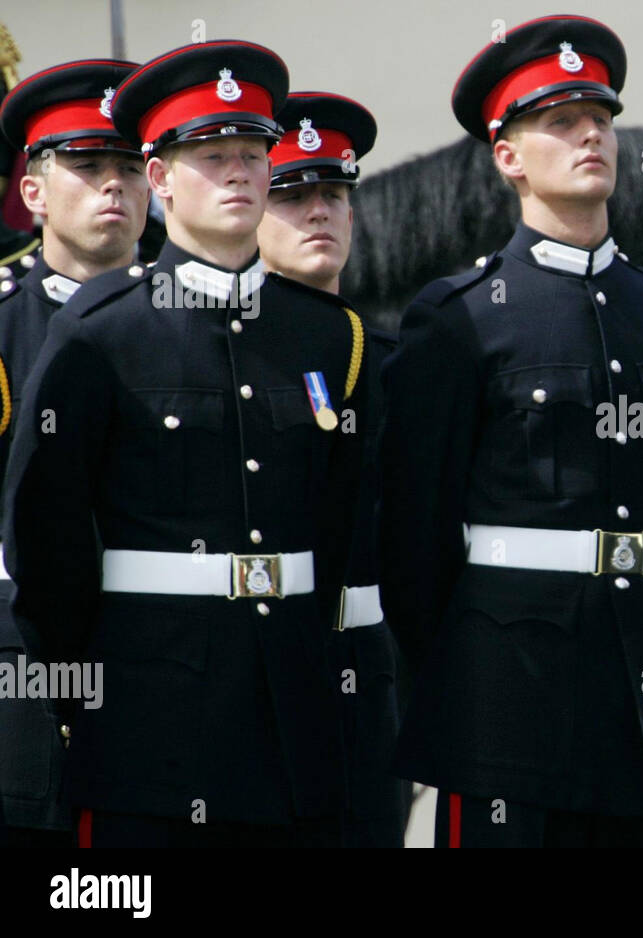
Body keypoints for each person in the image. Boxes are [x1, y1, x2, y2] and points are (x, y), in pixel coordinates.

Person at [2, 40, 368, 847]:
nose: (238, 171)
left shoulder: (327, 335)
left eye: (251, 152)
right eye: (209, 155)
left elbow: (346, 531)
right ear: (160, 179)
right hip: (148, 723)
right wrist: (85, 698)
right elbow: (49, 544)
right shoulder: (100, 334)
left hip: (292, 719)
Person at [378, 14, 643, 847]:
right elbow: (415, 535)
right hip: (508, 701)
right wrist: (465, 676)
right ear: (509, 157)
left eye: (600, 117)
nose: (591, 133)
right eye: (561, 121)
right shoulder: (458, 319)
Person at [0, 57, 148, 848]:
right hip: (18, 661)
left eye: (129, 168)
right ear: (33, 192)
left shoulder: (196, 322)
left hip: (161, 654)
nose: (113, 189)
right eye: (88, 168)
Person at [257, 90, 407, 847]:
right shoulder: (226, 352)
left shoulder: (398, 365)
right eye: (293, 194)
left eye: (334, 194)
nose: (320, 211)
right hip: (253, 675)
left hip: (368, 677)